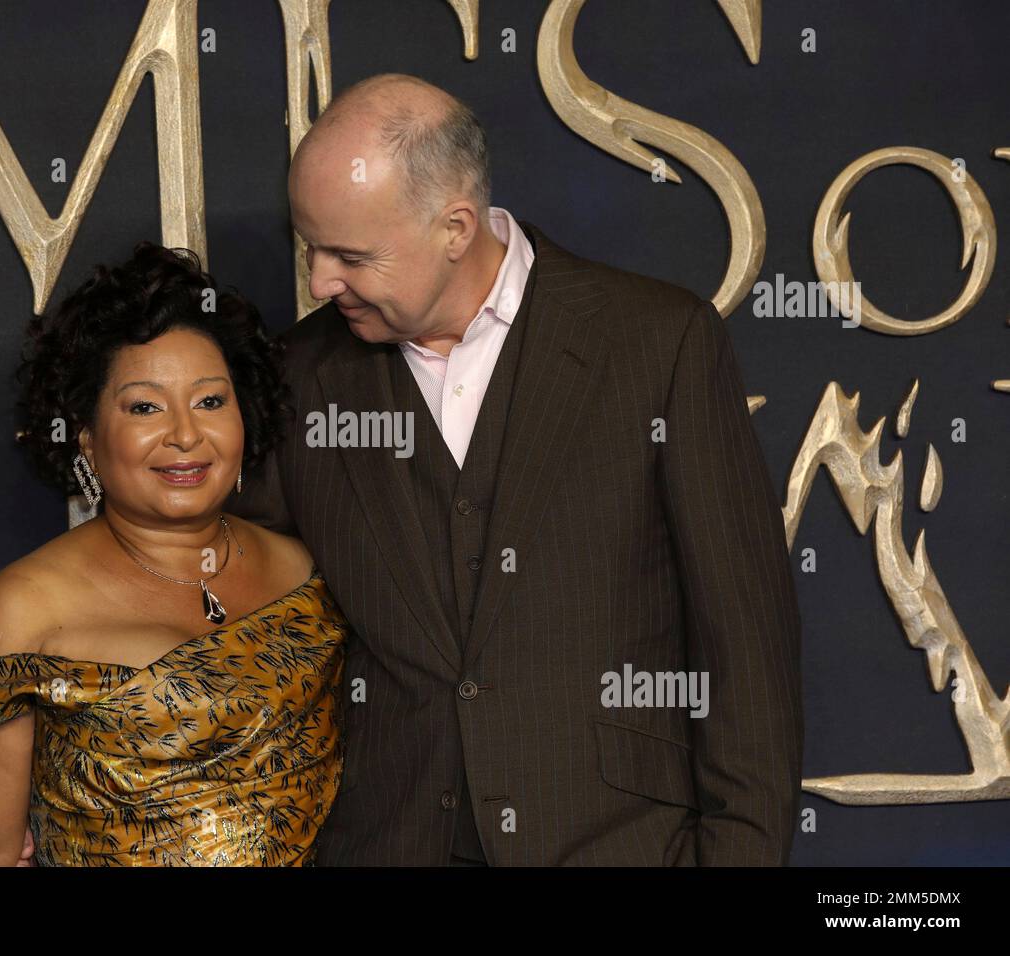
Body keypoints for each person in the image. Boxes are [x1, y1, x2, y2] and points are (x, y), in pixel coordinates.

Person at [225, 73, 804, 865]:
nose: (321, 281)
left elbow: (745, 645)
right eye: (310, 248)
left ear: (456, 227)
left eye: (350, 255)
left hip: (623, 845)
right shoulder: (295, 376)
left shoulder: (658, 343)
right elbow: (222, 606)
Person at [0, 243, 347, 866]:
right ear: (86, 438)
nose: (185, 434)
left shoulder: (307, 570)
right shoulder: (27, 608)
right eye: (145, 407)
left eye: (210, 401)